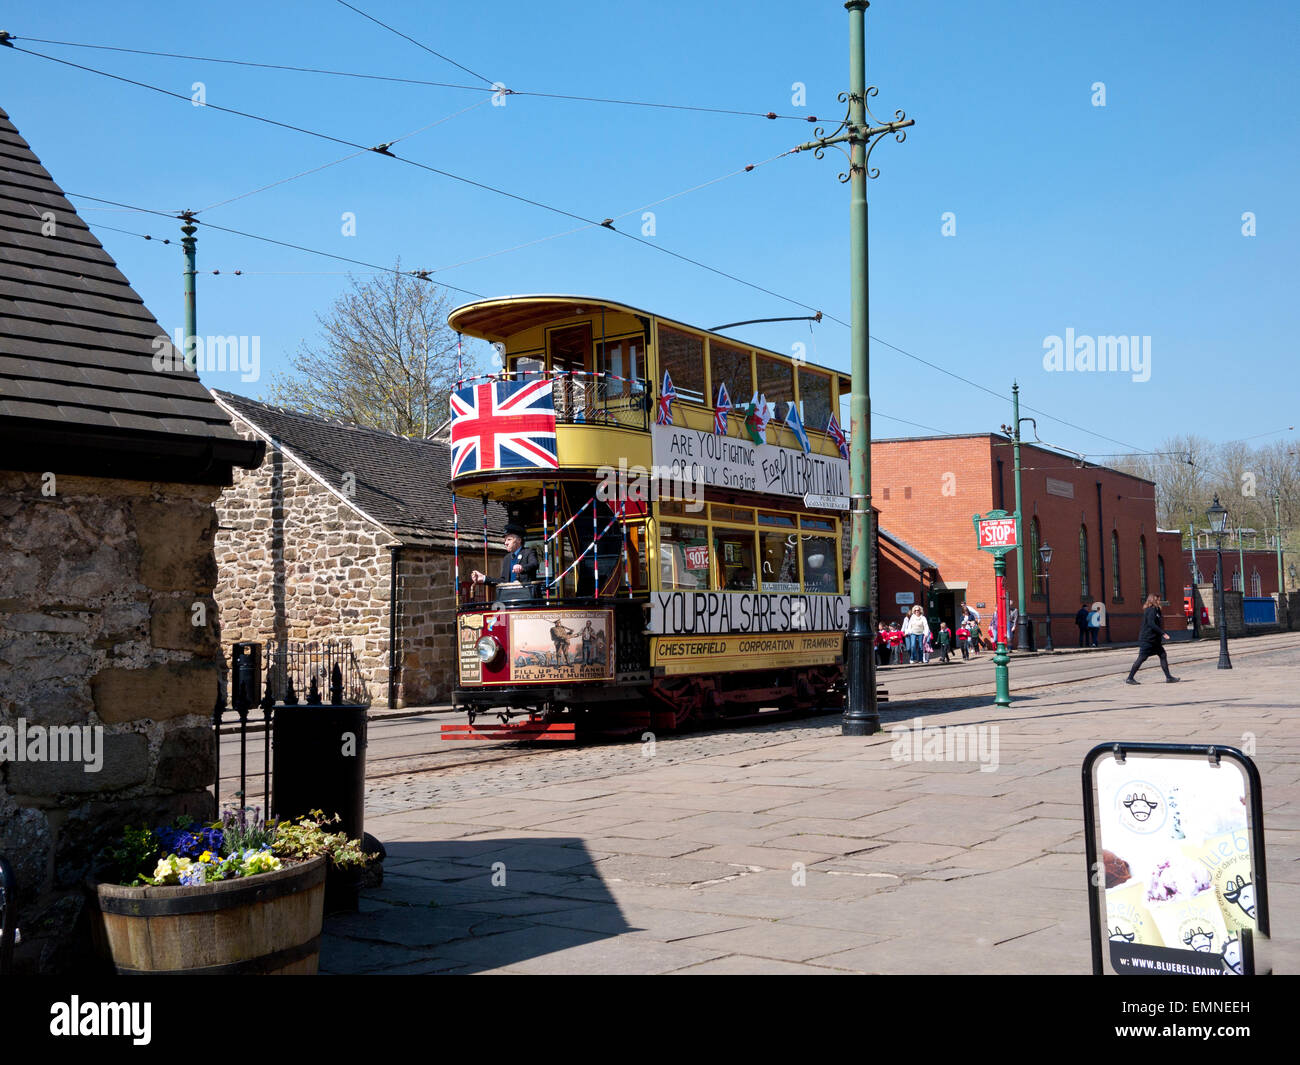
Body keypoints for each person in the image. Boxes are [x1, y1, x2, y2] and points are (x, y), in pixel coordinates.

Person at [1126, 594, 1179, 684]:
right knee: (1142, 658)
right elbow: (1151, 623)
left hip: (1154, 640)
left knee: (1162, 655)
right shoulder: (1151, 610)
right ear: (1153, 601)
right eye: (1158, 600)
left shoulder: (1157, 610)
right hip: (1147, 639)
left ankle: (1169, 677)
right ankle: (1130, 678)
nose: (1159, 601)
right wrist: (1163, 633)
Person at [471, 523, 538, 587]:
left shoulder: (529, 552)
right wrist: (484, 579)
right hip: (509, 595)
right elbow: (503, 581)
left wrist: (522, 568)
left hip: (525, 595)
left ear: (519, 540)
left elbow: (534, 564)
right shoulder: (507, 558)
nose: (506, 543)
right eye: (505, 540)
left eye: (509, 539)